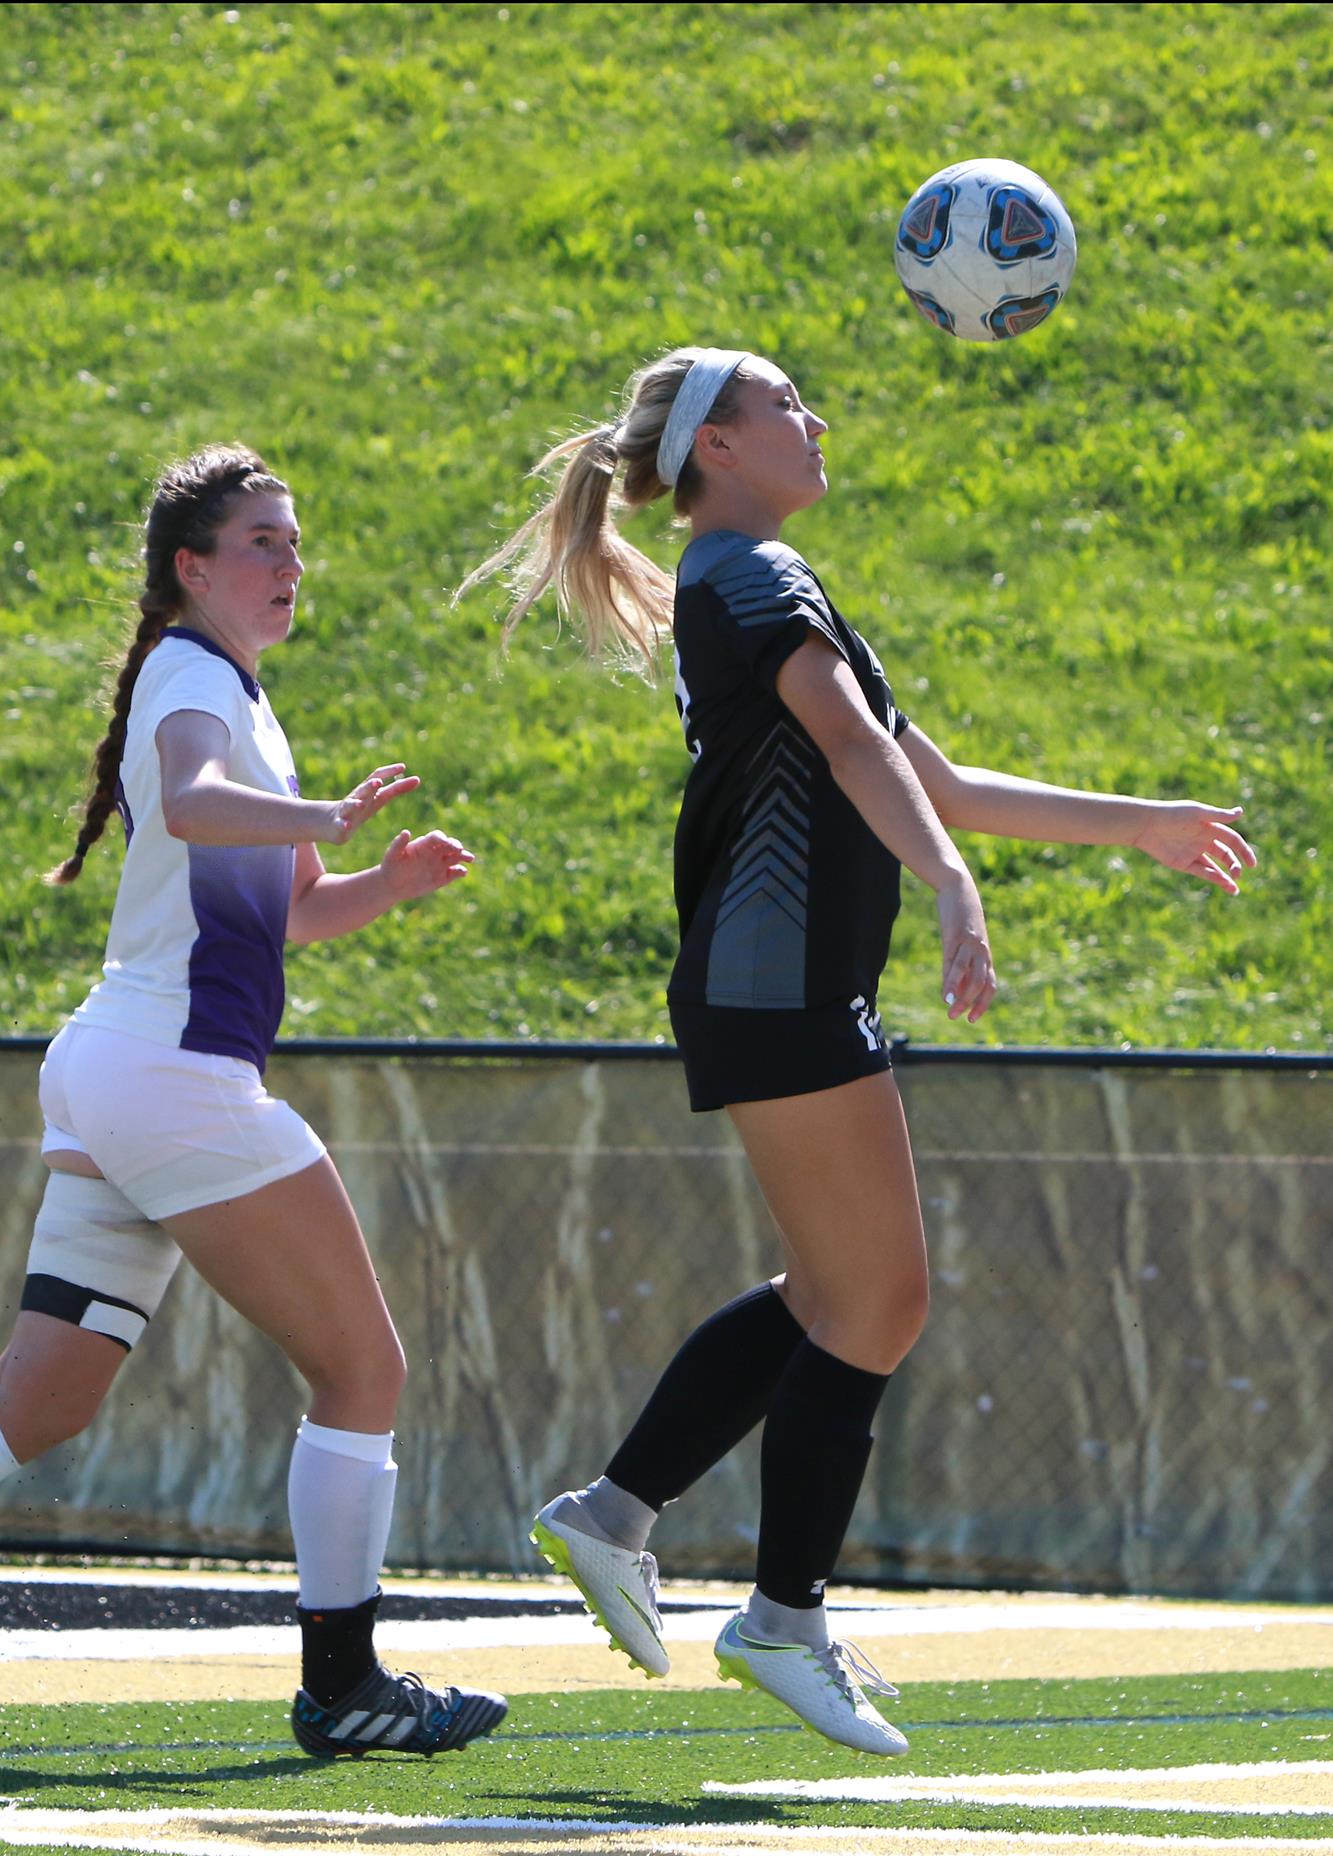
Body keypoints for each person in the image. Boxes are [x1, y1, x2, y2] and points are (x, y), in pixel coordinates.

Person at [460, 347, 1256, 1755]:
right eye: (781, 403)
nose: (812, 418)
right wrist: (948, 884)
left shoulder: (753, 576)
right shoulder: (752, 578)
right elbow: (847, 746)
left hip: (773, 983)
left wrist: (1130, 821)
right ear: (714, 446)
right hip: (776, 986)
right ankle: (778, 1619)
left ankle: (616, 1513)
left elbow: (924, 775)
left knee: (837, 1290)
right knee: (876, 1300)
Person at [1, 444, 507, 1759]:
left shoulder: (234, 693)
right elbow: (192, 797)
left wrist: (378, 884)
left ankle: (345, 1682)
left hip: (119, 1070)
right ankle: (343, 1683)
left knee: (39, 1411)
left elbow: (276, 909)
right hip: (171, 1077)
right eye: (263, 544)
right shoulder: (191, 678)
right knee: (362, 1367)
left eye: (294, 542)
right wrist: (323, 813)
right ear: (192, 569)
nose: (290, 565)